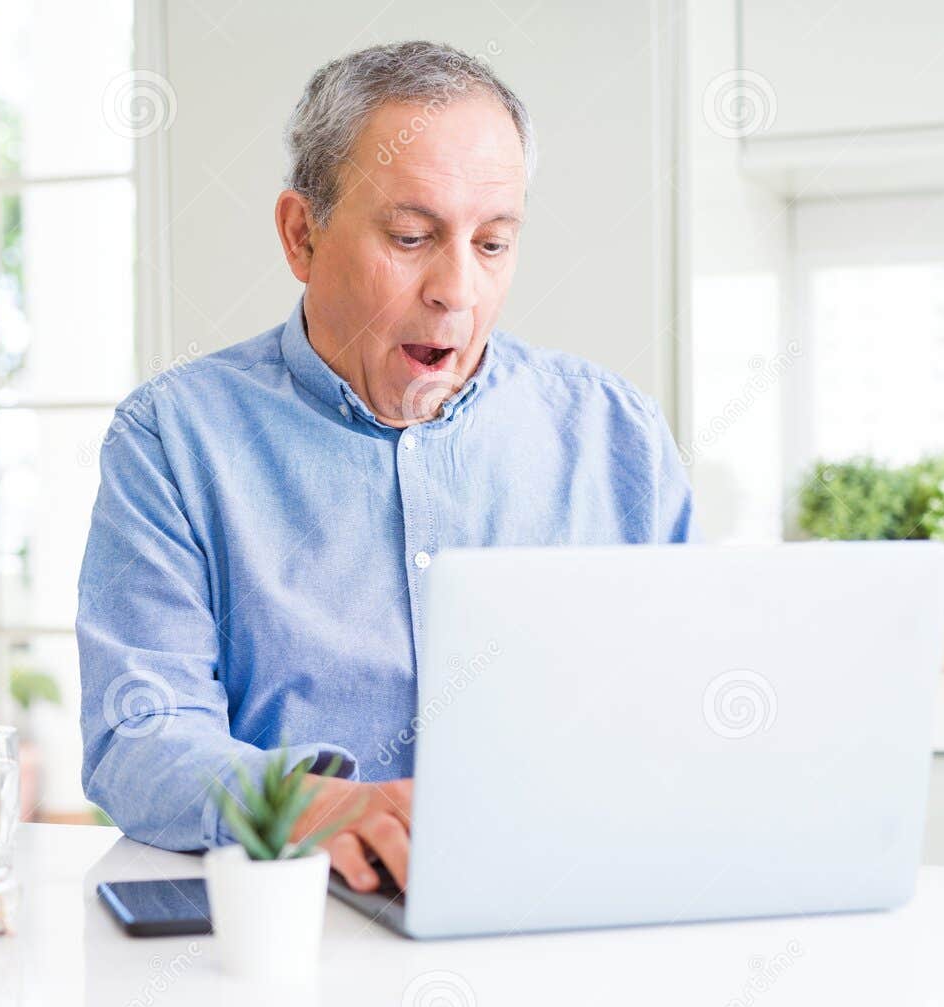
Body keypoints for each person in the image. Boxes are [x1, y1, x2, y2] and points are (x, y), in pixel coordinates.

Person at [77, 40, 697, 893]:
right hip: (293, 926)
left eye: (493, 244)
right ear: (302, 235)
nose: (457, 290)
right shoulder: (173, 439)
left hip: (566, 917)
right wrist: (309, 806)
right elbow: (138, 735)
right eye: (412, 236)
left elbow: (690, 713)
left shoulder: (615, 440)